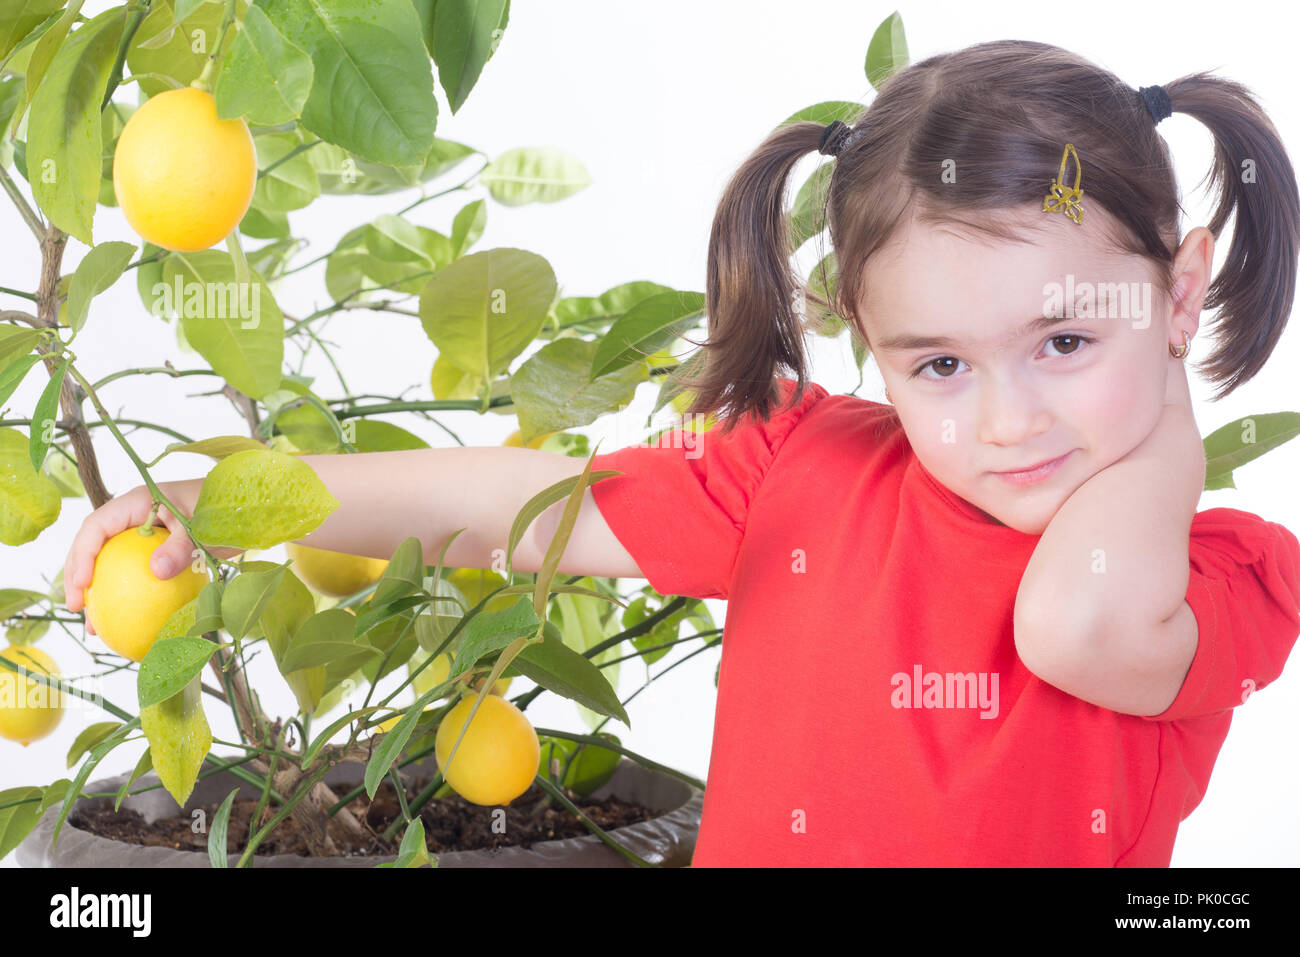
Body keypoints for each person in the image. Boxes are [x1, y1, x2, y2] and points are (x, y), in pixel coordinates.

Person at [63, 39, 1300, 866]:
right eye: (937, 364)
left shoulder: (1219, 582)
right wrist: (232, 501)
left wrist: (1165, 400)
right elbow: (514, 511)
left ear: (1178, 288)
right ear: (864, 342)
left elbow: (1072, 630)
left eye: (1067, 339)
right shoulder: (804, 473)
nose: (1006, 420)